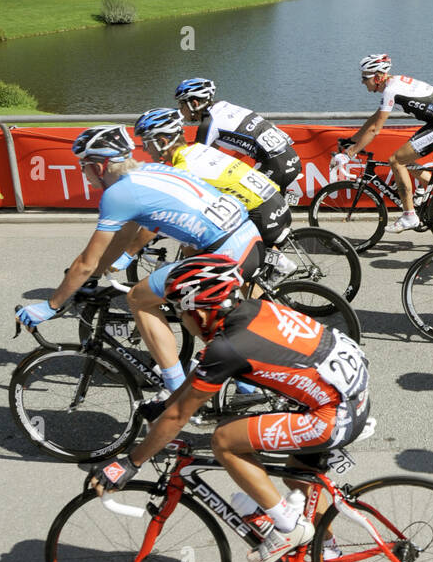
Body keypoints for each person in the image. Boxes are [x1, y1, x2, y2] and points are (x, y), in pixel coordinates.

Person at [85, 258, 370, 562]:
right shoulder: (252, 310)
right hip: (350, 395)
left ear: (201, 310)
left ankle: (289, 527)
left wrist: (130, 462)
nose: (181, 320)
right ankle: (325, 548)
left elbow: (179, 418)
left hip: (333, 413)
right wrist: (166, 404)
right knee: (297, 477)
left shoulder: (227, 347)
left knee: (224, 440)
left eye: (180, 311)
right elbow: (192, 390)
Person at [16, 126, 263, 396]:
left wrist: (52, 305)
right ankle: (244, 378)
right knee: (188, 306)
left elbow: (85, 262)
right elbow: (122, 237)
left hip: (223, 253)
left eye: (83, 165)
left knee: (138, 298)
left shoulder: (118, 194)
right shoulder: (148, 171)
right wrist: (95, 277)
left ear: (100, 167)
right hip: (248, 239)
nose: (81, 172)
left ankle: (177, 393)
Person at [134, 107, 294, 269]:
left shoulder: (183, 169)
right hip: (275, 202)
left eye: (146, 143)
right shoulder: (199, 150)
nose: (145, 149)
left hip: (262, 214)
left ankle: (279, 267)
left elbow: (161, 218)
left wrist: (128, 252)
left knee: (211, 259)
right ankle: (274, 268)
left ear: (162, 142)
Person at [332, 55, 433, 232]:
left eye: (364, 78)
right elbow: (375, 118)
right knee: (404, 160)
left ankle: (409, 215)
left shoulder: (390, 90)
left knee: (396, 160)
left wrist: (349, 154)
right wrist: (352, 140)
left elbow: (375, 129)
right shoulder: (392, 84)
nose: (362, 82)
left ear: (377, 77)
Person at [174, 78, 302, 200]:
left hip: (276, 165)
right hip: (290, 157)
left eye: (181, 104)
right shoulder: (223, 105)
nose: (180, 109)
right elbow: (210, 152)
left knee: (244, 203)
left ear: (194, 104)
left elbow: (194, 162)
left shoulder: (208, 125)